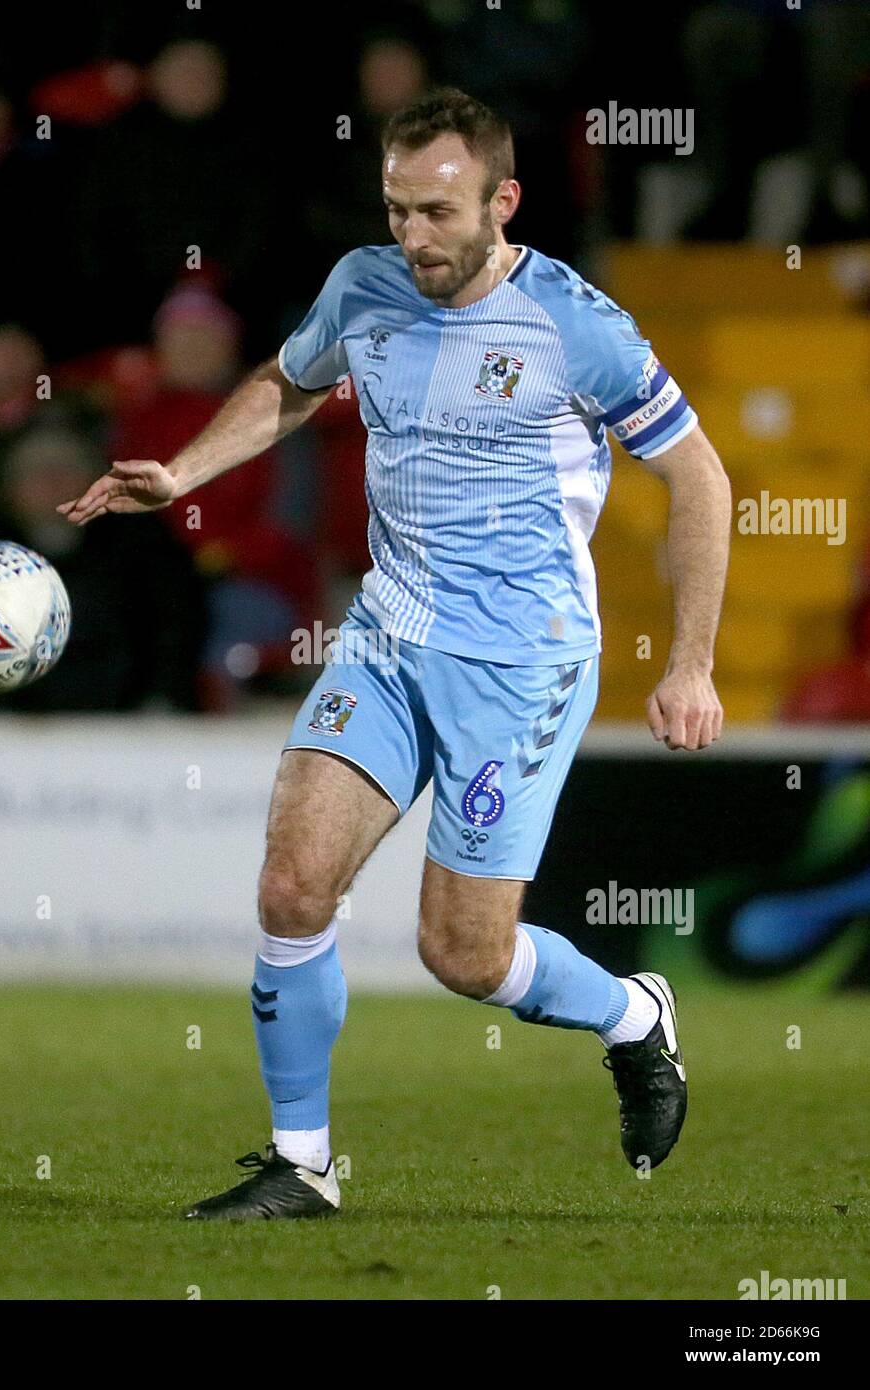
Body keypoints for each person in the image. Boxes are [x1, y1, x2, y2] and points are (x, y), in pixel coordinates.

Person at [59, 89, 731, 1220]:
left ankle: (633, 1014)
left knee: (463, 954)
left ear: (502, 203)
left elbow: (699, 477)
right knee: (291, 883)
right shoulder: (362, 285)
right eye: (395, 207)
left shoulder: (580, 326)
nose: (411, 235)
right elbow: (290, 381)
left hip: (519, 666)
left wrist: (693, 661)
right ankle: (302, 1164)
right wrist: (182, 471)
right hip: (385, 638)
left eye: (436, 211)